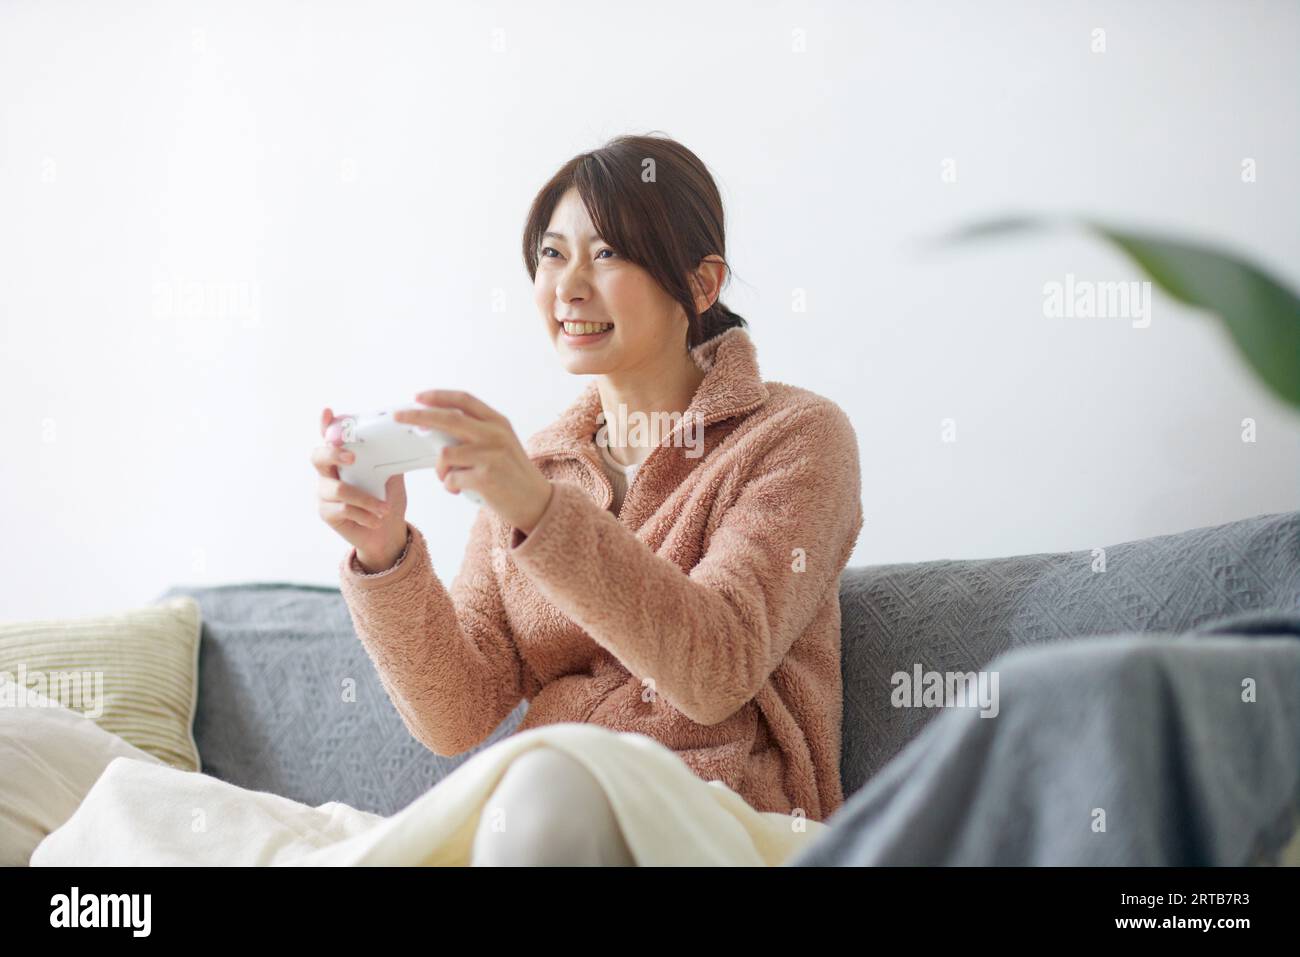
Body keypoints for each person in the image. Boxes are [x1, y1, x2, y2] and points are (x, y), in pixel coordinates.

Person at [310, 132, 864, 865]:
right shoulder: (539, 466)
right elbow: (456, 714)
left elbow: (716, 666)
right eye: (551, 253)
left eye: (605, 255)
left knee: (546, 781)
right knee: (141, 797)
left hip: (724, 819)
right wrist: (385, 557)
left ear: (701, 285)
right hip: (546, 816)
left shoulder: (796, 437)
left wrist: (540, 514)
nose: (569, 285)